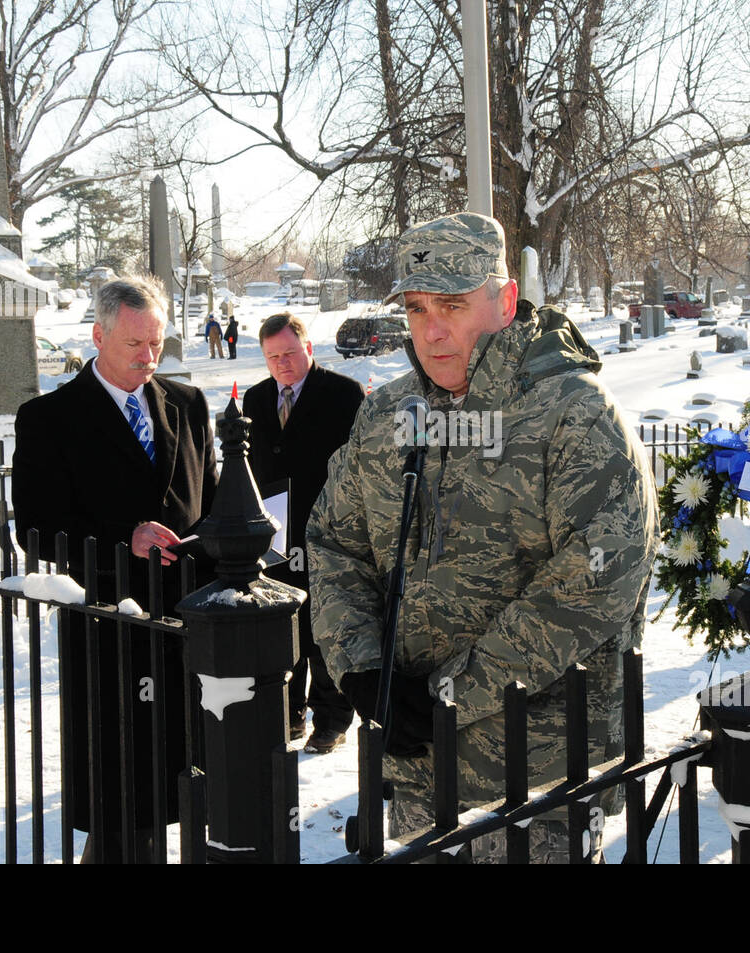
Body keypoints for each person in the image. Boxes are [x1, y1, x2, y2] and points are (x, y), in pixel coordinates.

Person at [306, 212, 659, 862]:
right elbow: (333, 544)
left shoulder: (575, 416)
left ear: (504, 302)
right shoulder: (387, 418)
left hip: (542, 780)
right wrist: (359, 665)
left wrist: (448, 694)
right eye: (415, 307)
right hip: (418, 776)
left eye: (451, 303)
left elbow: (594, 581)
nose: (431, 329)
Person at [12, 275, 217, 862]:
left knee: (185, 774)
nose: (149, 357)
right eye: (135, 345)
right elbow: (34, 526)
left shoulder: (187, 402)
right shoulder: (50, 418)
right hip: (108, 620)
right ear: (99, 335)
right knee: (121, 785)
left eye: (157, 343)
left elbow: (208, 495)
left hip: (183, 616)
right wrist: (122, 537)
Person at [236, 313, 364, 753]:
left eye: (289, 353)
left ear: (308, 347)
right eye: (272, 357)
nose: (282, 364)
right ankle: (287, 712)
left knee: (325, 627)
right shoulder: (255, 399)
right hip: (275, 532)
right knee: (282, 625)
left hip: (328, 528)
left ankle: (331, 719)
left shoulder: (343, 394)